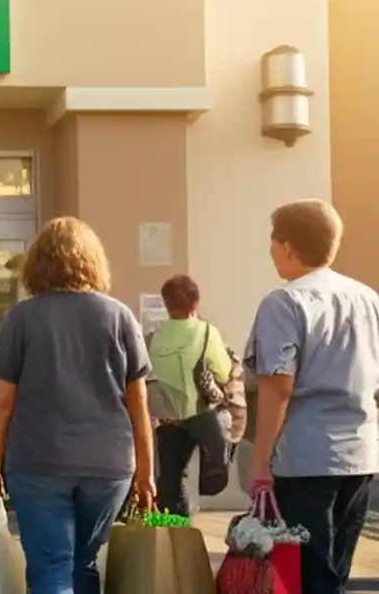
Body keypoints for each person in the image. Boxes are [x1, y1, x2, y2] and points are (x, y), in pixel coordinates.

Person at [0, 217, 155, 594]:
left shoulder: (21, 318)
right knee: (84, 561)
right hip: (108, 463)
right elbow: (138, 403)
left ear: (37, 263)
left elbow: (3, 405)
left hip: (38, 460)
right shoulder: (119, 316)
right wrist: (146, 471)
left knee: (50, 567)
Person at [246, 200, 379, 594]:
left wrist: (260, 460)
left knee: (304, 575)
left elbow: (278, 386)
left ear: (287, 246)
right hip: (360, 452)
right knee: (335, 570)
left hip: (304, 457)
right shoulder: (368, 299)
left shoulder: (284, 302)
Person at [147, 274, 233, 515]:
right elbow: (224, 372)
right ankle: (214, 475)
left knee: (171, 480)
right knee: (219, 448)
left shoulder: (153, 338)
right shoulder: (207, 332)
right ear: (196, 302)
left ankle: (177, 532)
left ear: (166, 304)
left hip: (168, 418)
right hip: (201, 413)